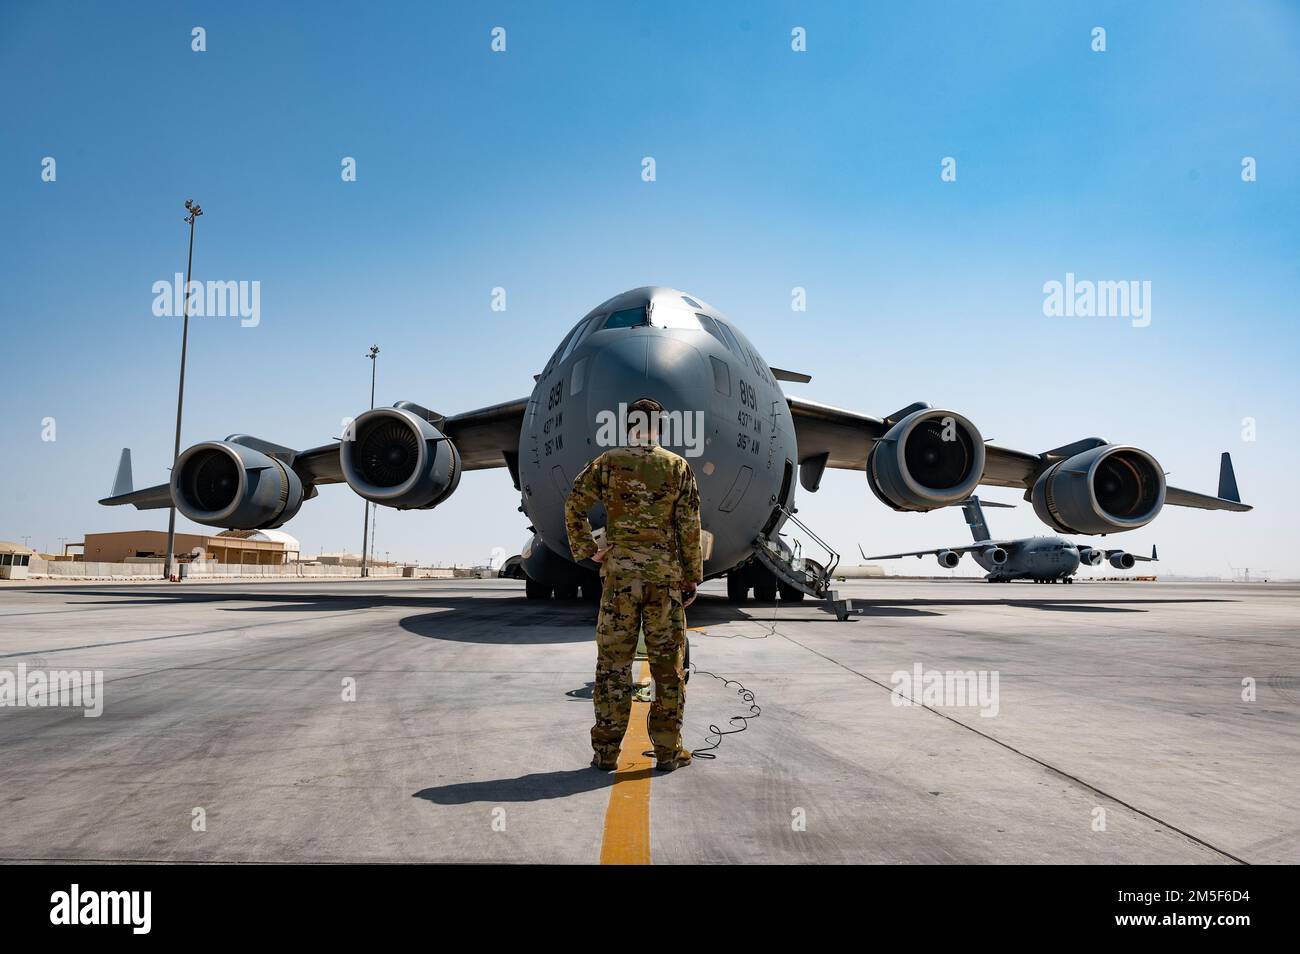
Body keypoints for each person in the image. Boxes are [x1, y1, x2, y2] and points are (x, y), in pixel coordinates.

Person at [564, 397, 703, 772]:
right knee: (667, 671)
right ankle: (669, 753)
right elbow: (689, 527)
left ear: (628, 425)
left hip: (620, 580)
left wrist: (589, 548)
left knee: (612, 667)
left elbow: (575, 502)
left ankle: (606, 754)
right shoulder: (677, 467)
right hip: (664, 582)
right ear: (659, 427)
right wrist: (692, 576)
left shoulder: (608, 463)